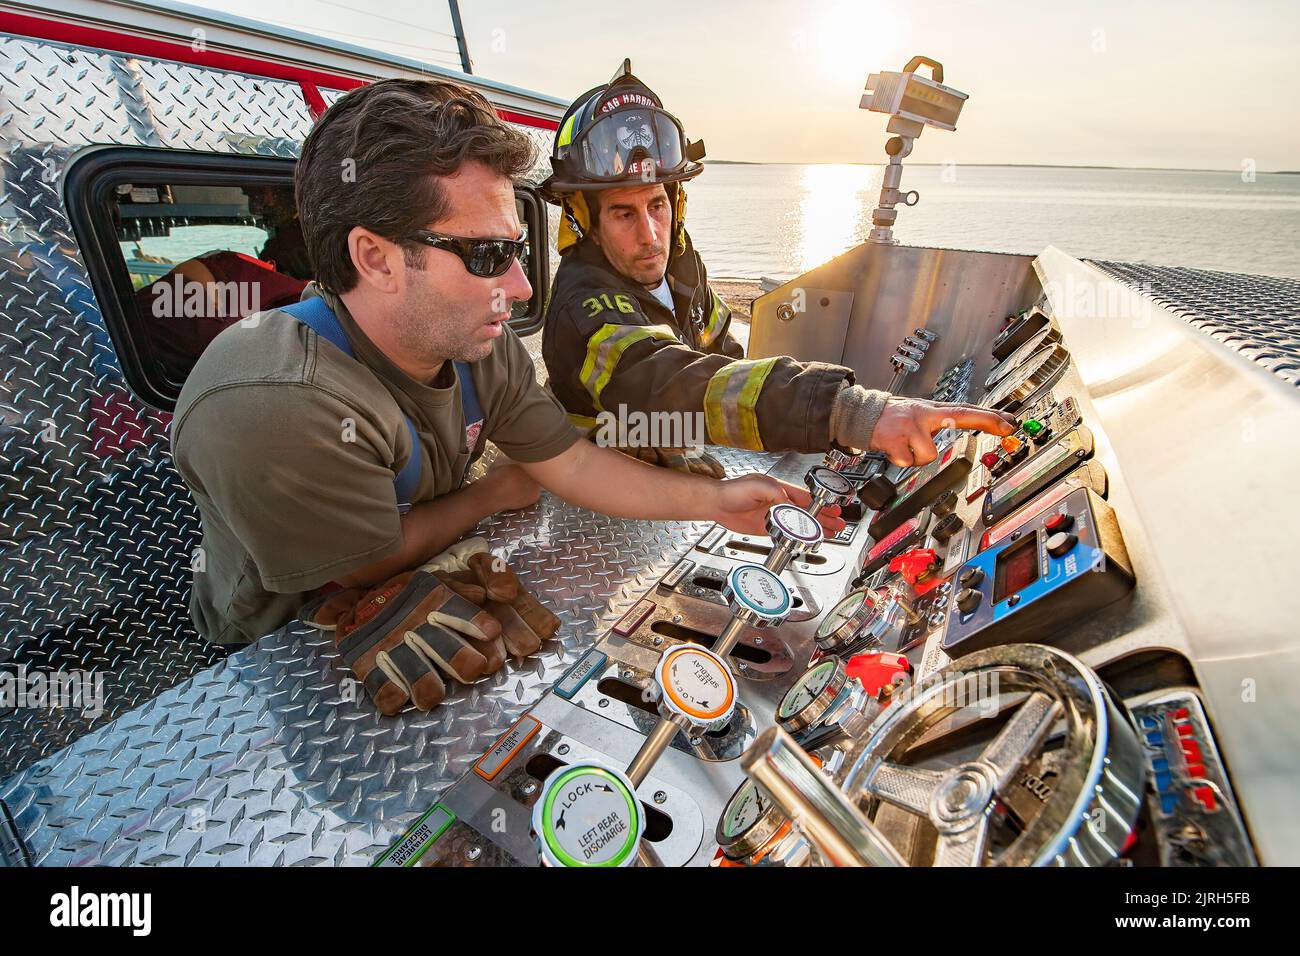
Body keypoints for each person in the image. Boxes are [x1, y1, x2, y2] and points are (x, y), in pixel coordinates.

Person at [170, 77, 843, 648]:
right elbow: (361, 566)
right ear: (375, 259)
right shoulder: (274, 398)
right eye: (487, 258)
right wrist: (492, 493)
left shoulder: (467, 342)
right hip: (282, 646)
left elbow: (570, 463)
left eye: (517, 252)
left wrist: (716, 502)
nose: (521, 289)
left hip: (422, 570)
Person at [541, 61, 1015, 475]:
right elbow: (666, 381)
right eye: (624, 214)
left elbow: (721, 357)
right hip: (598, 482)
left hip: (674, 460)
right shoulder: (584, 307)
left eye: (657, 205)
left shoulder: (680, 262)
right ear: (586, 221)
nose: (650, 235)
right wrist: (847, 412)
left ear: (677, 203)